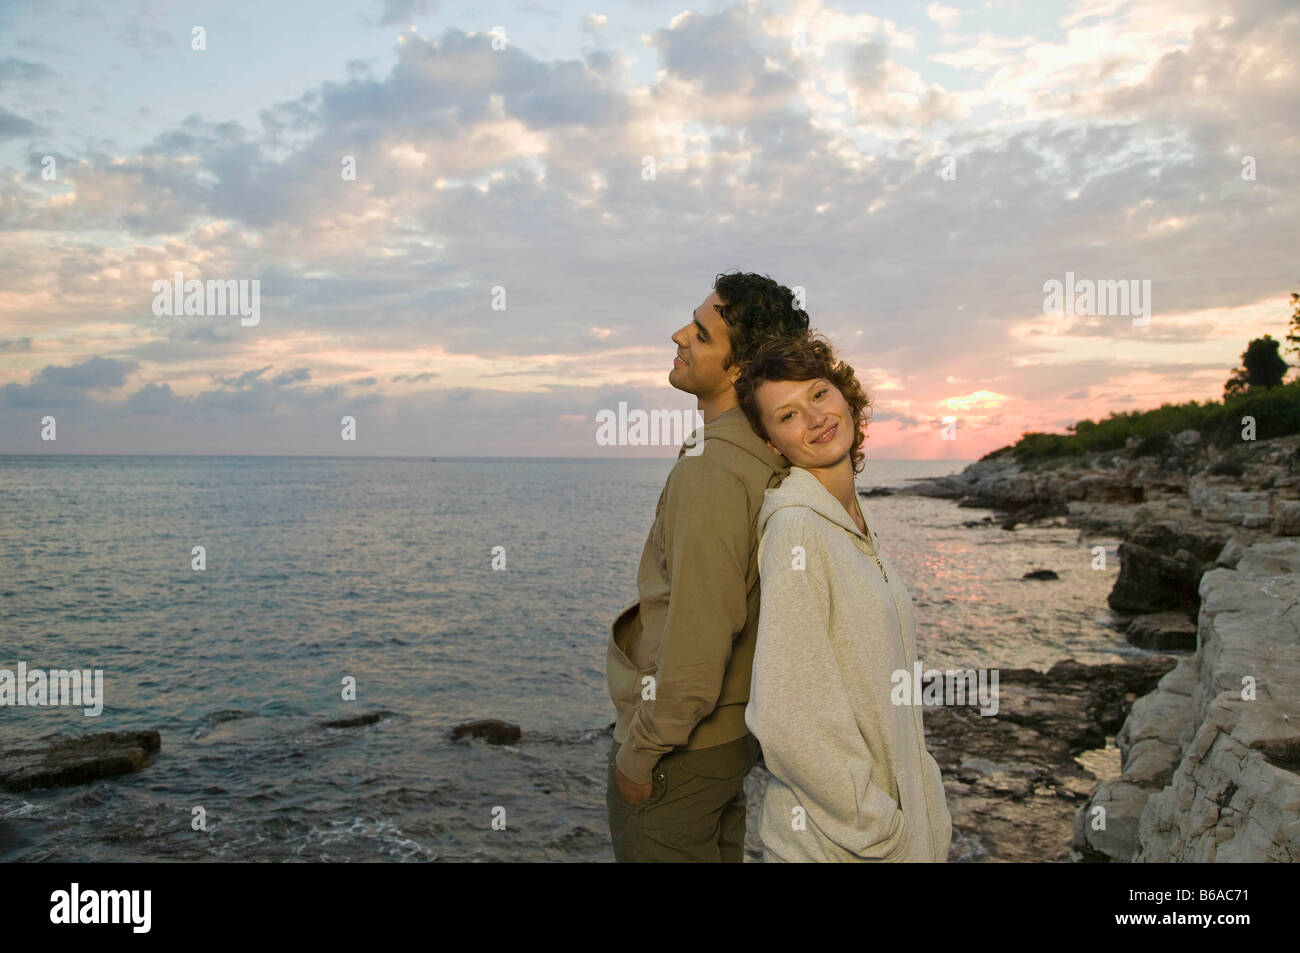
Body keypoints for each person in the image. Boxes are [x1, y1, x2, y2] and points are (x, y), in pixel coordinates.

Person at [605, 271, 810, 862]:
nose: (679, 336)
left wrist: (641, 755)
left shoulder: (713, 470)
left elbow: (700, 637)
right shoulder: (760, 455)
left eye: (700, 332)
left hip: (683, 753)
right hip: (728, 741)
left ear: (740, 368)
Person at [734, 331, 953, 862]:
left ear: (844, 396)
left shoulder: (852, 517)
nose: (813, 419)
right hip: (839, 847)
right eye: (786, 416)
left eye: (817, 394)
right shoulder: (797, 530)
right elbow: (786, 712)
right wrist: (872, 823)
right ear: (772, 444)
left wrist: (924, 800)